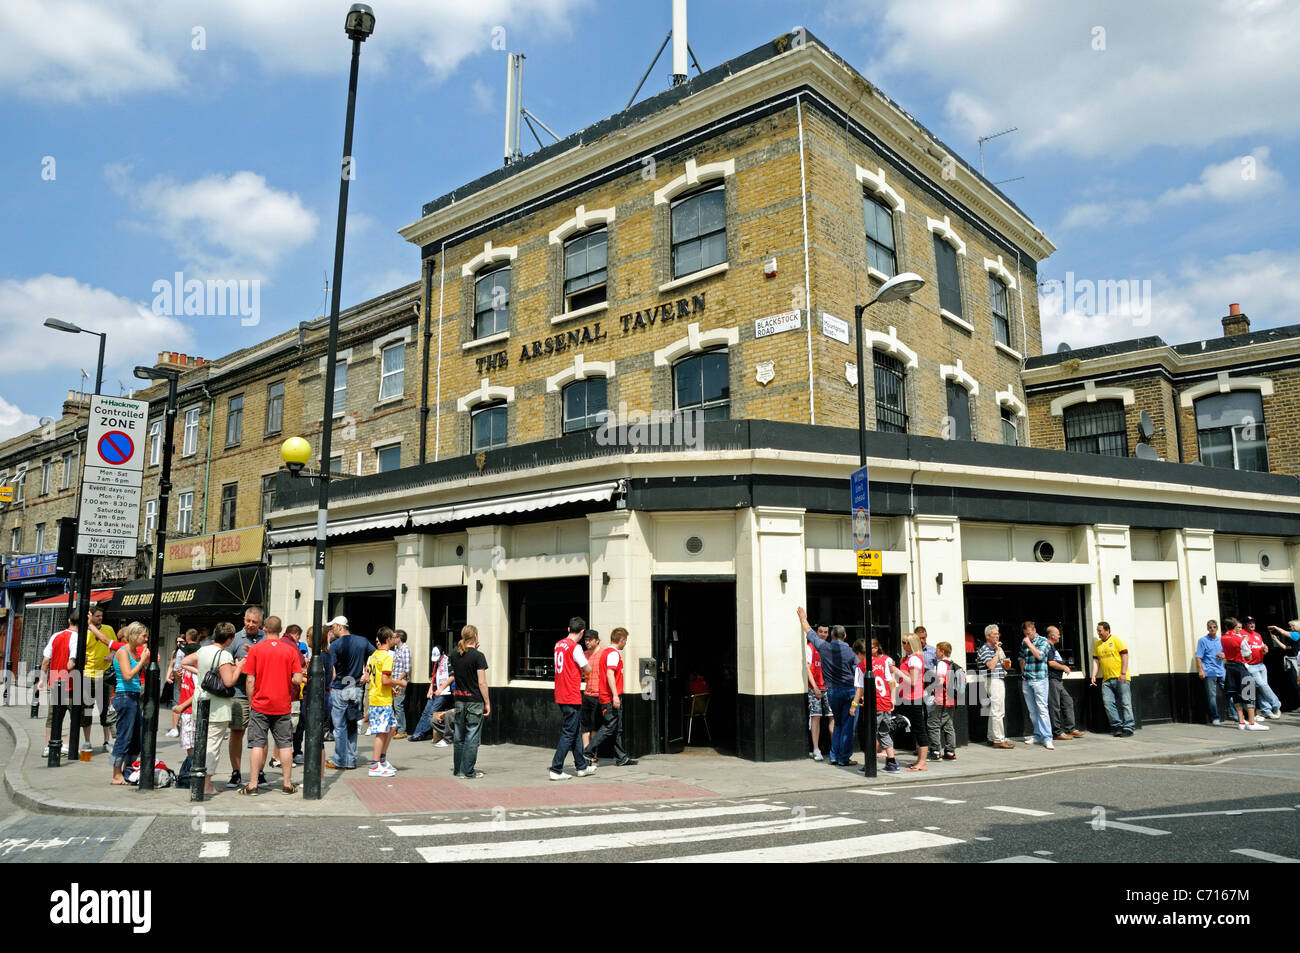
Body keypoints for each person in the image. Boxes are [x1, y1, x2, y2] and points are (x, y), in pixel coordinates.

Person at [239, 615, 303, 795]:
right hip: (282, 704)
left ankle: (252, 785)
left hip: (260, 703)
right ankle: (287, 784)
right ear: (281, 630)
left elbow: (250, 680)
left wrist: (251, 702)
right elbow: (298, 679)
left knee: (257, 744)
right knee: (284, 744)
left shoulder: (256, 650)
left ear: (264, 629)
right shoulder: (290, 650)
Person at [796, 607, 858, 767]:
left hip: (832, 692)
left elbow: (808, 631)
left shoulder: (824, 647)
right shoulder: (851, 653)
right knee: (848, 726)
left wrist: (803, 617)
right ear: (845, 636)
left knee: (837, 723)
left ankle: (833, 756)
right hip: (850, 691)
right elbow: (858, 672)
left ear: (830, 636)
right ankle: (844, 757)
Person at [195, 623, 243, 797]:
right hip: (217, 706)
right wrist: (239, 667)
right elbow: (229, 682)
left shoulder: (203, 650)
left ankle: (199, 781)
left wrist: (202, 675)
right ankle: (206, 785)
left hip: (200, 702)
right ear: (229, 639)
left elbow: (185, 662)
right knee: (212, 746)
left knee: (202, 743)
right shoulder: (225, 655)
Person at [226, 606, 268, 788]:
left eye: (254, 622)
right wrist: (242, 666)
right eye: (247, 621)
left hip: (262, 694)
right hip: (239, 694)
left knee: (262, 736)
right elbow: (226, 668)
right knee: (237, 733)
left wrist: (255, 657)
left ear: (261, 623)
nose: (250, 625)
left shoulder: (266, 639)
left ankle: (259, 772)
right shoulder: (235, 639)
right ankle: (236, 772)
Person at [583, 626, 637, 767]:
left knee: (616, 728)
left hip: (606, 696)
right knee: (609, 727)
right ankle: (588, 752)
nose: (625, 643)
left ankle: (621, 757)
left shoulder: (605, 652)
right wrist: (615, 696)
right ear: (622, 639)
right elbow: (609, 674)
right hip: (610, 697)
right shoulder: (613, 654)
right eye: (625, 641)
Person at [550, 617, 597, 780]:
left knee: (575, 731)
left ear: (569, 629)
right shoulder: (575, 648)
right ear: (582, 631)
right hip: (571, 694)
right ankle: (556, 769)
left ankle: (581, 767)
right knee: (569, 733)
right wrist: (587, 670)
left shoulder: (558, 644)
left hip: (561, 692)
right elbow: (587, 667)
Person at [327, 616, 371, 770]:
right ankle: (350, 760)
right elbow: (375, 655)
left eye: (332, 627)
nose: (331, 631)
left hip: (340, 687)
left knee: (339, 726)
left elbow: (332, 671)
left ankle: (340, 760)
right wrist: (368, 674)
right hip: (356, 686)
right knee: (351, 723)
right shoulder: (362, 641)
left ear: (340, 626)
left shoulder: (335, 645)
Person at [109, 622, 150, 785]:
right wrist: (142, 661)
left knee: (136, 739)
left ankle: (128, 769)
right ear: (134, 635)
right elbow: (127, 675)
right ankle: (116, 774)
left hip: (132, 696)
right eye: (144, 636)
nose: (146, 639)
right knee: (124, 737)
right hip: (124, 696)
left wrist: (144, 662)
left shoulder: (133, 651)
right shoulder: (123, 652)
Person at [362, 627, 404, 777]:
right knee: (381, 732)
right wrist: (399, 682)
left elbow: (374, 676)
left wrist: (390, 688)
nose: (395, 639)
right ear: (388, 640)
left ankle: (382, 759)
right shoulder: (387, 657)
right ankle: (374, 765)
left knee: (392, 727)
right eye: (393, 637)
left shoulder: (374, 655)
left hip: (379, 696)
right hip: (380, 699)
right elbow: (385, 680)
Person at [450, 624, 490, 779]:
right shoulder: (478, 656)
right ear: (475, 637)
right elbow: (482, 682)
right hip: (474, 700)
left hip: (459, 699)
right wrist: (487, 702)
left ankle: (458, 769)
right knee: (472, 737)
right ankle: (468, 771)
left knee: (459, 737)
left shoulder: (454, 654)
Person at [40, 611, 80, 759]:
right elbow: (71, 663)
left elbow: (45, 660)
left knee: (53, 716)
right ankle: (66, 744)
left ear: (69, 620)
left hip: (55, 680)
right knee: (76, 715)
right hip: (71, 682)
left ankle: (47, 746)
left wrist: (41, 680)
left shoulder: (55, 636)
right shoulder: (77, 638)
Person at [856, 638, 899, 772]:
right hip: (886, 702)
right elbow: (891, 681)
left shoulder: (861, 666)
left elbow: (859, 688)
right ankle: (892, 763)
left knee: (870, 734)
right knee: (884, 733)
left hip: (874, 704)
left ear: (858, 653)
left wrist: (853, 704)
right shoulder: (883, 661)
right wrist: (893, 698)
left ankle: (870, 763)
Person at [1222, 617, 1269, 731]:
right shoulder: (1240, 639)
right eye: (1238, 627)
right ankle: (1252, 723)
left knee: (1235, 694)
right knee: (1249, 693)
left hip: (1229, 668)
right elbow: (1248, 655)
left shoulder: (1223, 638)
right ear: (1234, 627)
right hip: (1239, 666)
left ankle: (1241, 722)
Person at [1090, 621, 1134, 737]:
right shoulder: (1098, 644)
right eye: (1097, 631)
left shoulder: (1116, 640)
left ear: (1107, 630)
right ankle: (1117, 726)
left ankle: (1129, 727)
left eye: (1099, 631)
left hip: (1120, 677)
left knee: (1125, 703)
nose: (1098, 633)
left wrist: (1123, 673)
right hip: (1106, 680)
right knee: (1108, 704)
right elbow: (1096, 660)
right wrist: (1093, 675)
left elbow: (1125, 655)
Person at [83, 607, 117, 753]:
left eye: (101, 616)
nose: (100, 618)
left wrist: (111, 655)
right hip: (87, 674)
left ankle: (106, 740)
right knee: (87, 709)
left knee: (105, 709)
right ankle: (87, 741)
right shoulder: (83, 632)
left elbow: (115, 647)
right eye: (97, 616)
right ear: (90, 617)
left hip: (104, 674)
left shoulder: (108, 629)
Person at [976, 625, 1014, 749]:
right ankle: (999, 739)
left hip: (999, 678)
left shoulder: (996, 648)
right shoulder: (985, 649)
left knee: (994, 710)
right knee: (998, 711)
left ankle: (991, 737)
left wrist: (1006, 664)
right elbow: (991, 666)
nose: (997, 636)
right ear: (987, 636)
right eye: (994, 634)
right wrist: (997, 651)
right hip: (992, 680)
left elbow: (1004, 664)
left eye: (998, 634)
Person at [1019, 620, 1054, 748]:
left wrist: (1029, 643)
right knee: (1032, 711)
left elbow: (1040, 655)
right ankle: (1038, 735)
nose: (1027, 636)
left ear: (1034, 630)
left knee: (1042, 709)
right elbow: (1021, 657)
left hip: (1040, 679)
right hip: (1027, 679)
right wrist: (1023, 672)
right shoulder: (1025, 643)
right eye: (1025, 634)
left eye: (1029, 633)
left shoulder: (1043, 641)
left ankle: (1047, 737)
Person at [411, 642, 454, 744]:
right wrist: (431, 688)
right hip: (435, 691)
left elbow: (452, 676)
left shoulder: (448, 661)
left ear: (443, 653)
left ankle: (422, 733)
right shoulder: (436, 663)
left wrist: (441, 689)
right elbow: (434, 677)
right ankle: (417, 732)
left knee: (431, 713)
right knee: (425, 712)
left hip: (444, 692)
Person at [897, 633, 928, 770]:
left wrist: (897, 671)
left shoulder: (914, 659)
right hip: (907, 697)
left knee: (919, 729)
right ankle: (919, 761)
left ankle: (922, 762)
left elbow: (913, 682)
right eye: (903, 642)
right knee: (916, 729)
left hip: (914, 698)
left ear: (912, 644)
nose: (903, 645)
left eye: (905, 643)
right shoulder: (909, 658)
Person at [1046, 626, 1083, 740]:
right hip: (1052, 679)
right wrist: (1063, 667)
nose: (1059, 636)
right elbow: (1051, 663)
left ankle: (1070, 729)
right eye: (1058, 634)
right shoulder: (1048, 647)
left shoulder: (1053, 647)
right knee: (1055, 706)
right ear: (1052, 636)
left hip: (1058, 680)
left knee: (1067, 701)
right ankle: (1057, 732)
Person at [1242, 617, 1282, 719]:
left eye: (1253, 623)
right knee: (1263, 685)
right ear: (1245, 624)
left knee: (1262, 688)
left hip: (1261, 664)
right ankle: (1276, 703)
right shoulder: (1243, 634)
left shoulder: (1257, 635)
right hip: (1251, 665)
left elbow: (1262, 646)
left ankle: (1266, 710)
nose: (1252, 625)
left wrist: (1265, 648)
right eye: (1249, 623)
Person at [927, 641, 958, 760]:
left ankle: (935, 752)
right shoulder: (952, 663)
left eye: (937, 650)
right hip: (950, 699)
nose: (936, 653)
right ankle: (950, 752)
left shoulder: (941, 664)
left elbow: (940, 680)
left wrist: (929, 688)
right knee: (948, 725)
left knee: (933, 724)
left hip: (941, 699)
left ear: (942, 651)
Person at [1195, 620, 1228, 725]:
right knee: (1212, 696)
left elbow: (1227, 654)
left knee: (1230, 692)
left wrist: (1224, 655)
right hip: (1209, 671)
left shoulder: (1221, 640)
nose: (1212, 629)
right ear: (1207, 628)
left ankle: (1237, 716)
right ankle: (1215, 717)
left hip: (1221, 671)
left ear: (1217, 628)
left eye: (1214, 627)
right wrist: (1201, 670)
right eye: (1210, 627)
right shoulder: (1203, 641)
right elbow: (1198, 657)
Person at [806, 627, 829, 761]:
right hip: (815, 687)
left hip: (828, 687)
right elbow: (808, 668)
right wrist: (814, 687)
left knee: (832, 717)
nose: (823, 634)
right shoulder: (810, 647)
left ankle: (834, 750)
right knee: (816, 717)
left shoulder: (829, 647)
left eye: (826, 632)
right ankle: (816, 749)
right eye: (821, 632)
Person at [580, 629, 602, 763]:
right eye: (586, 640)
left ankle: (592, 754)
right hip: (587, 693)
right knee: (585, 726)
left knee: (595, 727)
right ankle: (585, 753)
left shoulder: (603, 654)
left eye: (590, 640)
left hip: (599, 695)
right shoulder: (584, 654)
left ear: (597, 640)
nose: (587, 642)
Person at [1267, 619, 1300, 697]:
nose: (1290, 627)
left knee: (1297, 683)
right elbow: (1286, 648)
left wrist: (1275, 627)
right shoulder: (1293, 637)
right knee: (1294, 682)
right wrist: (1276, 640)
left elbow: (1283, 632)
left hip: (1295, 661)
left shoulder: (1296, 634)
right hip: (1291, 661)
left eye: (1291, 626)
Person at [390, 629, 411, 739]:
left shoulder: (405, 649)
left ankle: (402, 730)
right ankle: (396, 728)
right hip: (394, 681)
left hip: (400, 682)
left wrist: (397, 681)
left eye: (394, 637)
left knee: (398, 705)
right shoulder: (397, 649)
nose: (392, 639)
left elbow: (406, 669)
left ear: (399, 638)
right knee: (393, 705)